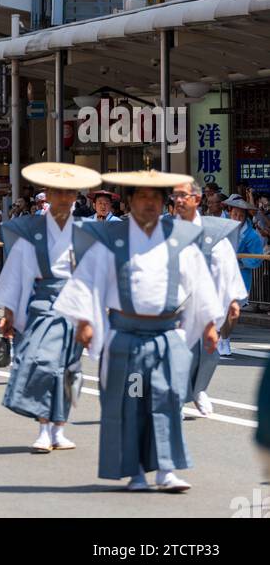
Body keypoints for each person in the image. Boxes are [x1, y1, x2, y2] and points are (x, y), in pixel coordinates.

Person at [54, 170, 220, 493]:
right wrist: (84, 322)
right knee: (132, 402)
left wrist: (210, 323)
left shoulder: (178, 240)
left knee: (169, 399)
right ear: (130, 201)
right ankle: (137, 472)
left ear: (164, 202)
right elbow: (87, 281)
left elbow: (199, 283)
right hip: (126, 340)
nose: (149, 203)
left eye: (155, 197)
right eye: (142, 196)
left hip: (166, 338)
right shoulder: (112, 241)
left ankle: (167, 470)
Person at [0, 163, 102, 453]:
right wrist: (9, 314)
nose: (64, 198)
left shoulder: (87, 232)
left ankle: (59, 427)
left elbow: (96, 274)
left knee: (69, 368)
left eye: (70, 193)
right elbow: (16, 272)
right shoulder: (33, 231)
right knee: (44, 362)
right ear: (48, 196)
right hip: (44, 302)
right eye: (58, 192)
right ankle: (43, 427)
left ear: (76, 197)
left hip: (77, 302)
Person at [172, 179, 246, 416]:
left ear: (197, 199)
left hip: (207, 301)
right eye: (176, 197)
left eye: (185, 195)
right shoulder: (164, 229)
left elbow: (226, 264)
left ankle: (199, 390)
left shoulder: (214, 231)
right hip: (175, 302)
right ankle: (176, 397)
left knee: (208, 352)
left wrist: (233, 299)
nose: (180, 201)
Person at [221, 195, 264, 328]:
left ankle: (225, 338)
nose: (237, 218)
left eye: (241, 215)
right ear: (230, 213)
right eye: (235, 214)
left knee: (233, 310)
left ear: (245, 216)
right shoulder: (222, 228)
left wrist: (239, 260)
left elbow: (256, 259)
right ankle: (222, 337)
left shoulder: (252, 235)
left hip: (240, 276)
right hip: (221, 274)